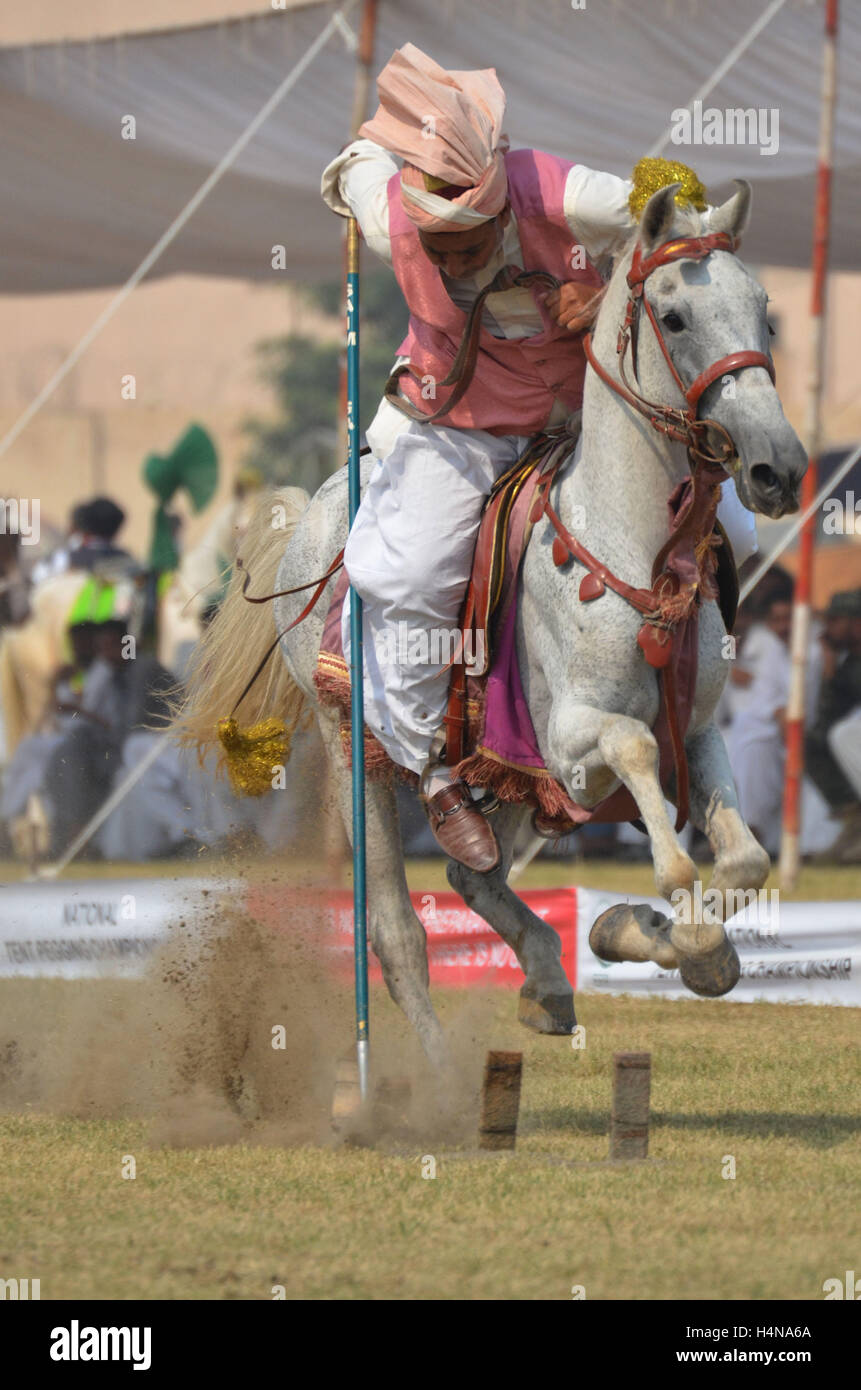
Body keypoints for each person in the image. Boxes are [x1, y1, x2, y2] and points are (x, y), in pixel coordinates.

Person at [322, 42, 758, 872]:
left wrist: (609, 291)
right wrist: (369, 155)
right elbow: (351, 167)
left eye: (471, 242)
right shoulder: (390, 212)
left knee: (736, 526)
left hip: (589, 422)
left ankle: (691, 721)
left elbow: (669, 218)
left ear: (499, 204)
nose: (452, 265)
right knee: (406, 577)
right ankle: (434, 769)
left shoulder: (558, 192)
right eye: (437, 248)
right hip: (464, 422)